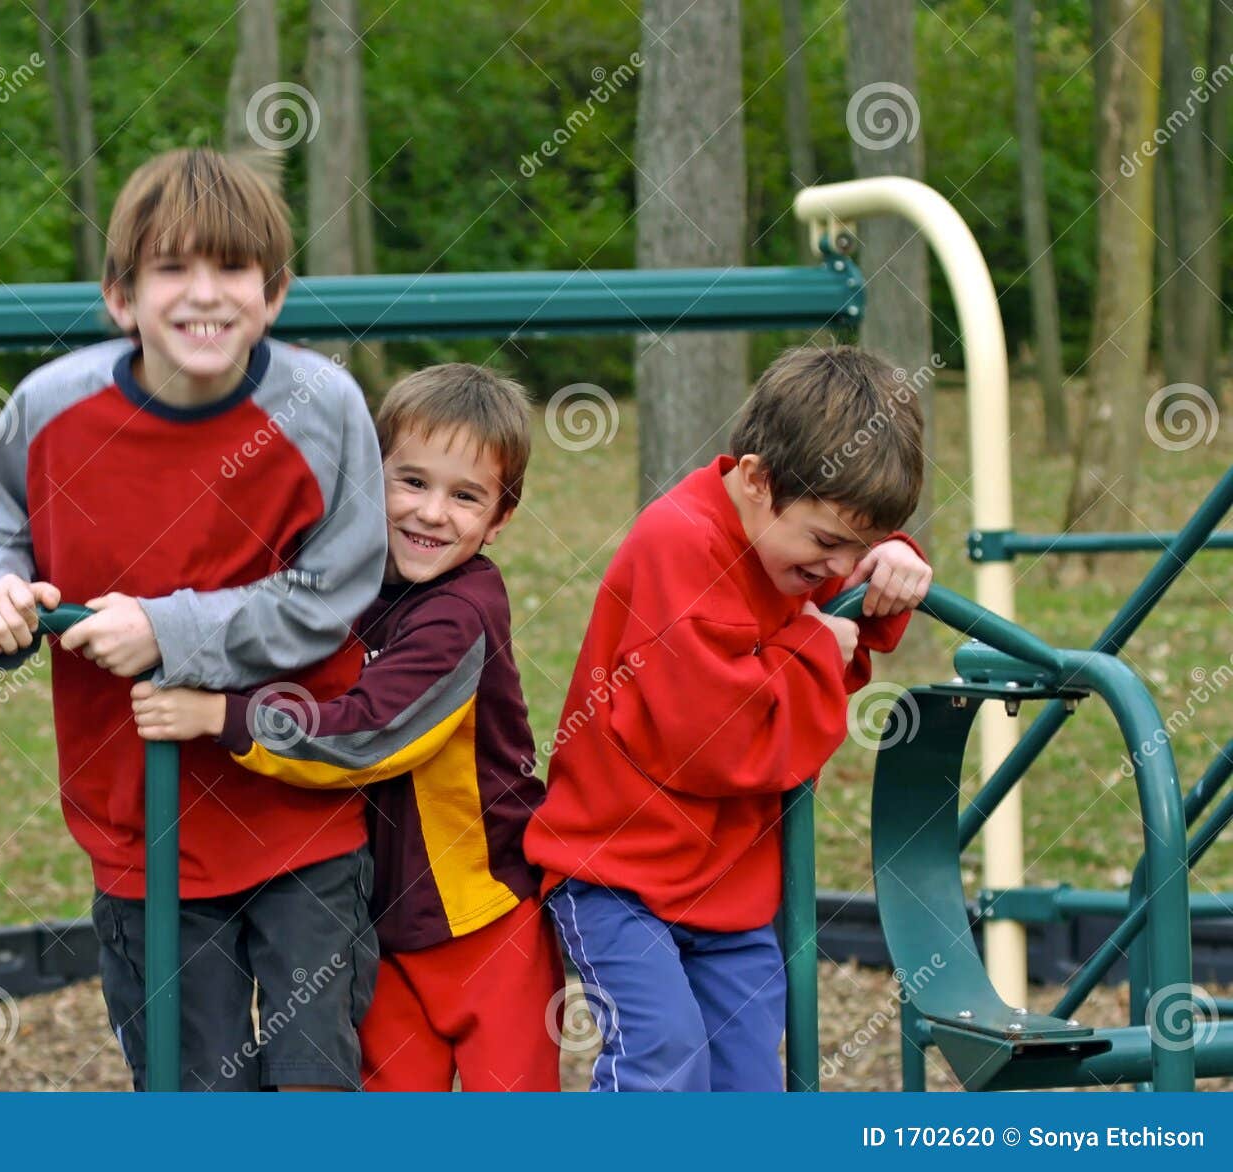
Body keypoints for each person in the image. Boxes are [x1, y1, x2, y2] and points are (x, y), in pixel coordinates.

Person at [0, 147, 386, 1091]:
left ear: (272, 295)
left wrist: (172, 632)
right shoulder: (51, 410)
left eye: (232, 268)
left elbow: (336, 589)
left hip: (298, 800)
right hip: (137, 820)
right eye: (172, 268)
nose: (205, 294)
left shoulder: (324, 407)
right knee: (193, 1090)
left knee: (320, 1080)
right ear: (120, 297)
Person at [133, 363, 563, 1091]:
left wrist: (222, 718)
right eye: (413, 482)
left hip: (485, 915)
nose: (432, 512)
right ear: (368, 475)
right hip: (380, 923)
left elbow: (367, 736)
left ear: (500, 520)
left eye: (466, 497)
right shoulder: (348, 582)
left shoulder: (461, 612)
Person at [525, 344, 932, 1092]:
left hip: (728, 888)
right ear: (754, 478)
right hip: (621, 876)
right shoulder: (680, 543)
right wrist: (818, 644)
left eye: (859, 552)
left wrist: (893, 564)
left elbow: (827, 604)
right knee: (664, 1060)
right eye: (827, 545)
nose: (839, 573)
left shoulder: (787, 543)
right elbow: (716, 736)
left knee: (747, 1082)